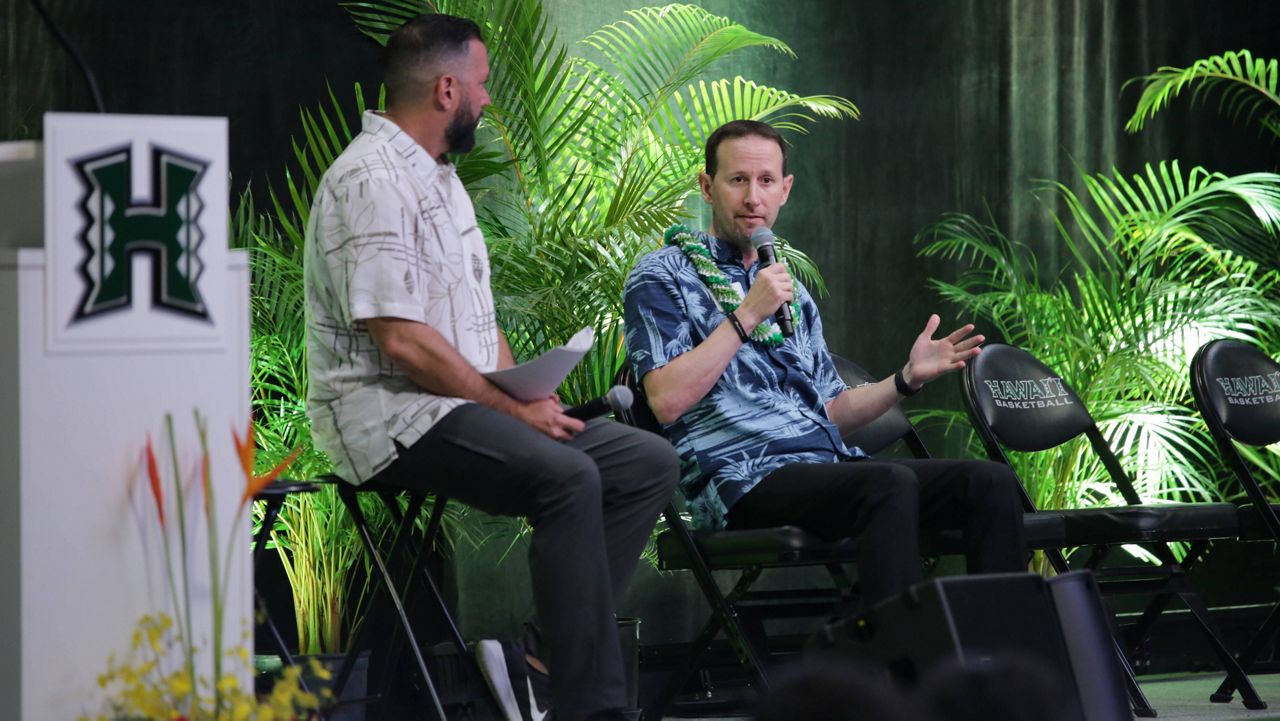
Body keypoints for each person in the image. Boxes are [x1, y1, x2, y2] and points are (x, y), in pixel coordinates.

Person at [303, 14, 680, 721]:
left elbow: (476, 321)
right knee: (568, 477)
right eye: (481, 85)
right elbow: (401, 340)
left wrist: (528, 390)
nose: (487, 102)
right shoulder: (371, 178)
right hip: (385, 417)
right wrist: (511, 411)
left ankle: (539, 666)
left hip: (461, 404)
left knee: (643, 462)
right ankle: (592, 709)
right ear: (447, 88)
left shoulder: (440, 178)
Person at [622, 119, 1026, 608]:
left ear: (785, 190)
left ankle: (1006, 660)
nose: (753, 197)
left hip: (822, 467)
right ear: (707, 187)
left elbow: (829, 410)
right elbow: (665, 401)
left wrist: (904, 379)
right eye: (737, 180)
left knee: (989, 482)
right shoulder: (662, 274)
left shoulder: (790, 291)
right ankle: (901, 670)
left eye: (766, 181)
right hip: (740, 480)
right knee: (887, 481)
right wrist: (748, 313)